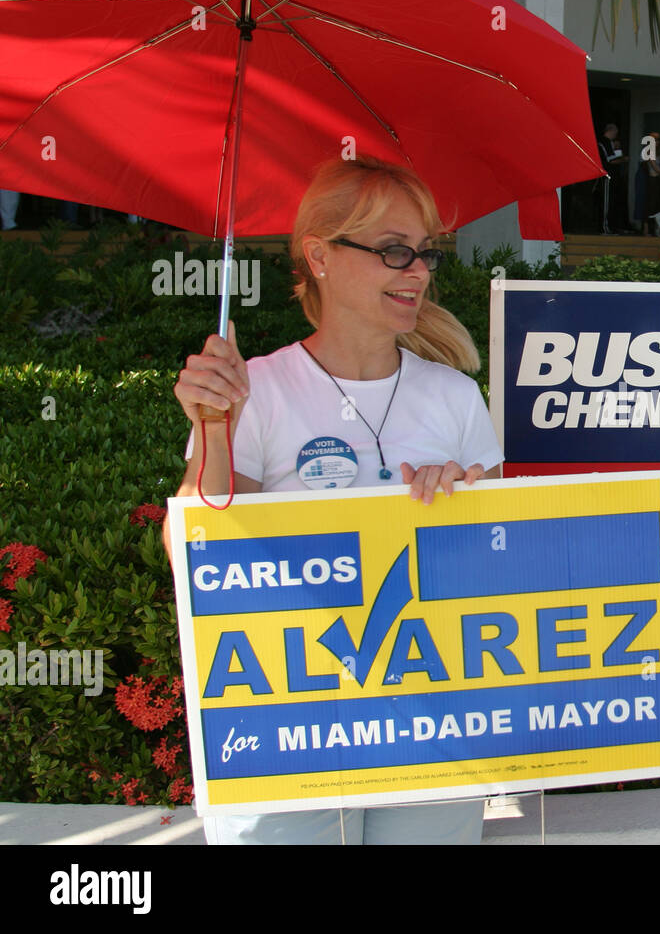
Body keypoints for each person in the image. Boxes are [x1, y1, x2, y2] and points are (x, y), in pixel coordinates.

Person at [165, 155, 502, 844]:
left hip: (430, 723)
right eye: (394, 251)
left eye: (425, 253)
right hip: (289, 727)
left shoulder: (457, 397)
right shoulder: (252, 388)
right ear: (319, 256)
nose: (418, 271)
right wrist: (214, 431)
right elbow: (196, 559)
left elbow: (499, 576)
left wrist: (465, 509)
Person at [633, 130, 660, 235]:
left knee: (655, 203)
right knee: (648, 203)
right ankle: (646, 228)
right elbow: (655, 168)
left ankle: (653, 227)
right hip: (649, 180)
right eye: (654, 139)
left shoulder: (657, 152)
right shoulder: (649, 151)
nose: (656, 141)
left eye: (658, 139)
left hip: (655, 179)